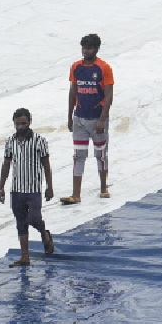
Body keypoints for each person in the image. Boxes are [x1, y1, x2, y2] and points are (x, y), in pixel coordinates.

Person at [0, 108, 55, 267]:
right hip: (16, 190)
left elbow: (46, 165)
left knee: (34, 218)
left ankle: (44, 234)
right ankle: (25, 256)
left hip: (33, 189)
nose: (21, 127)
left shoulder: (39, 141)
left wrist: (49, 186)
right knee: (20, 222)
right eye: (18, 124)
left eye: (24, 123)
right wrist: (1, 186)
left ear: (29, 122)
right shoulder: (10, 142)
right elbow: (6, 165)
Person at [62, 33, 113, 205]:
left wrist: (102, 119)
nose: (86, 51)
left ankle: (104, 188)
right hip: (80, 119)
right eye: (84, 48)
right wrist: (70, 116)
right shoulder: (76, 67)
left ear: (97, 49)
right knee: (78, 155)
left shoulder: (104, 68)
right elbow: (72, 91)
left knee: (101, 155)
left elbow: (108, 95)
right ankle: (76, 194)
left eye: (89, 48)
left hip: (98, 119)